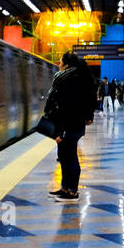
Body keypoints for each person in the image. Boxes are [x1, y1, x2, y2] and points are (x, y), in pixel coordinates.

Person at [43, 51, 96, 200]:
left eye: (60, 62)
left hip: (67, 125)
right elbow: (90, 100)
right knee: (65, 156)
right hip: (75, 124)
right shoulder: (83, 78)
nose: (58, 65)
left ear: (66, 65)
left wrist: (58, 131)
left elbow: (62, 106)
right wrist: (88, 116)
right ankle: (65, 188)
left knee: (69, 157)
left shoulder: (66, 79)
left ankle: (71, 191)